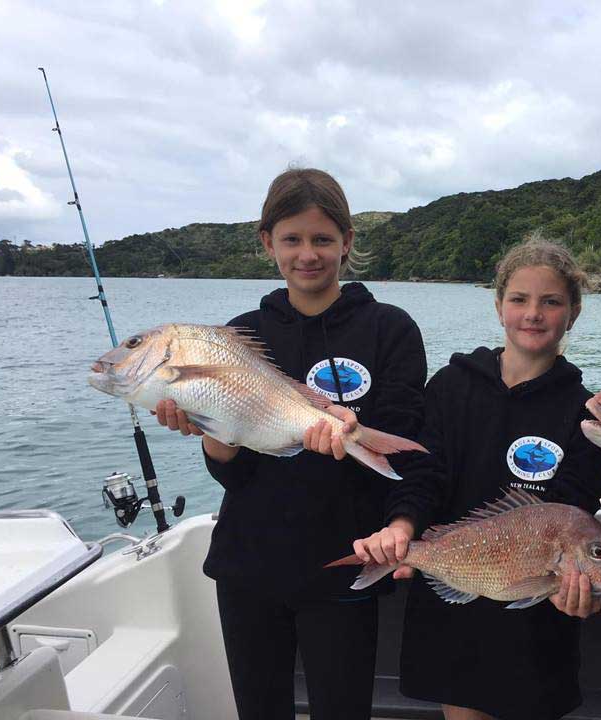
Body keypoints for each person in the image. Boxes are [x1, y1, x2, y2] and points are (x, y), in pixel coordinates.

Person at [154, 168, 427, 720]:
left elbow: (407, 453)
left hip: (342, 564)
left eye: (323, 239)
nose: (309, 254)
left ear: (347, 243)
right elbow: (233, 473)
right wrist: (213, 437)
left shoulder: (389, 329)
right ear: (268, 244)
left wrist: (400, 520)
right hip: (248, 566)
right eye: (292, 240)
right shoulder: (239, 335)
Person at [315, 238, 601, 719]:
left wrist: (584, 588)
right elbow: (423, 475)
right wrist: (402, 528)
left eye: (551, 301)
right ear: (499, 307)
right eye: (519, 299)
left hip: (535, 613)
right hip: (455, 599)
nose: (533, 313)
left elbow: (574, 512)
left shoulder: (586, 416)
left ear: (572, 313)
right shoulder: (450, 387)